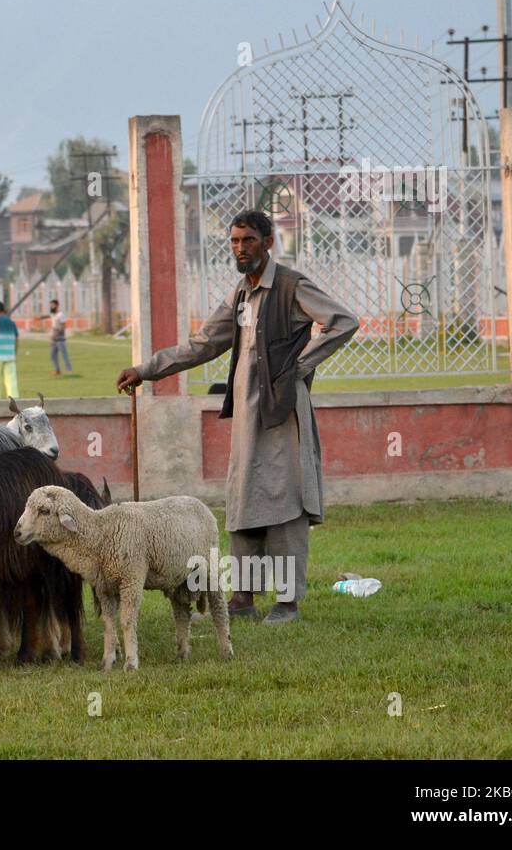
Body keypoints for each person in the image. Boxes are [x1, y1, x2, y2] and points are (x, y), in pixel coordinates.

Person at [116, 210, 359, 626]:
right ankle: (244, 599)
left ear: (268, 242)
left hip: (283, 412)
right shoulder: (242, 295)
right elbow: (202, 345)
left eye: (247, 240)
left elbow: (343, 322)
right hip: (248, 416)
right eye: (233, 241)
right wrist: (147, 369)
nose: (240, 248)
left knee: (285, 502)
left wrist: (299, 366)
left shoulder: (290, 286)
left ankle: (287, 603)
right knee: (244, 500)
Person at [48, 298, 72, 376]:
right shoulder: (53, 314)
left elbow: (63, 326)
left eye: (52, 305)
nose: (51, 307)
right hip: (54, 338)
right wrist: (39, 318)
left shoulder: (61, 315)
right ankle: (57, 370)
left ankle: (69, 370)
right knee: (53, 355)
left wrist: (56, 335)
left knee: (64, 354)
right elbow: (48, 316)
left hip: (60, 338)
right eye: (50, 305)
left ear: (57, 305)